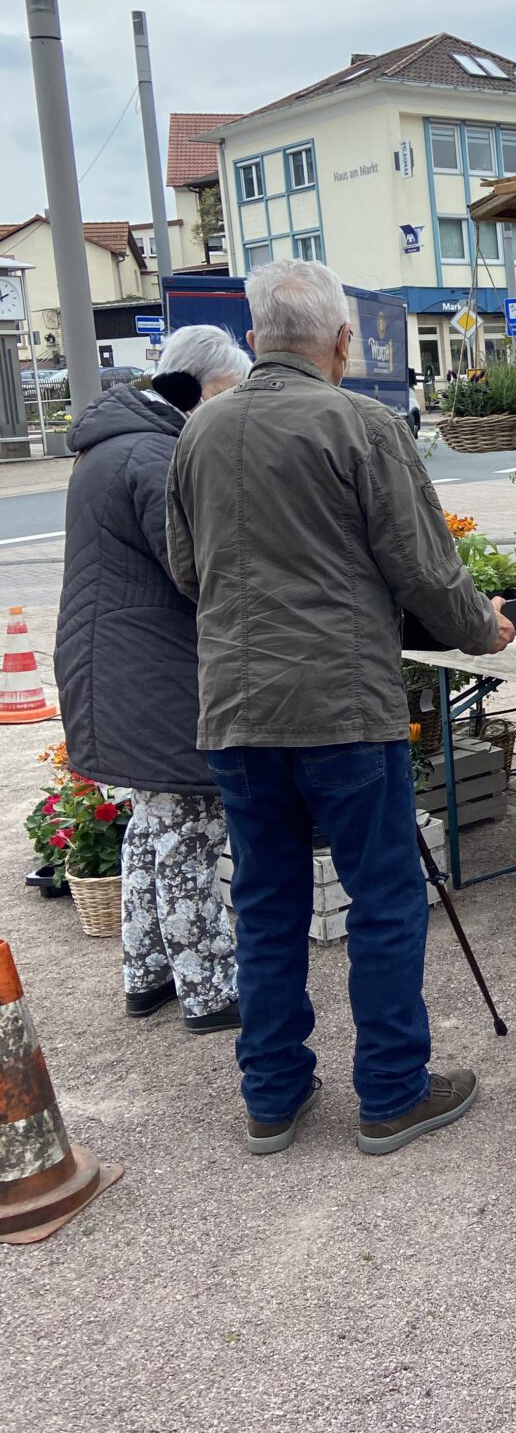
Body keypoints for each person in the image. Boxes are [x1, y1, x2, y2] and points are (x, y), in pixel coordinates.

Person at [165, 262, 515, 1159]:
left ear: (254, 338)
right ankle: (393, 1090)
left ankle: (272, 1098)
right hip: (341, 705)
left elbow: (187, 572)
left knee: (269, 900)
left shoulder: (199, 431)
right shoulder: (361, 423)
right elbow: (423, 566)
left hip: (237, 709)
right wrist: (484, 631)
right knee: (386, 897)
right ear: (343, 342)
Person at [55, 325, 252, 1032]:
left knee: (151, 827)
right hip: (151, 675)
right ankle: (209, 989)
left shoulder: (116, 445)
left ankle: (147, 972)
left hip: (116, 670)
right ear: (197, 389)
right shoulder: (156, 455)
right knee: (191, 826)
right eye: (230, 394)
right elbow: (197, 570)